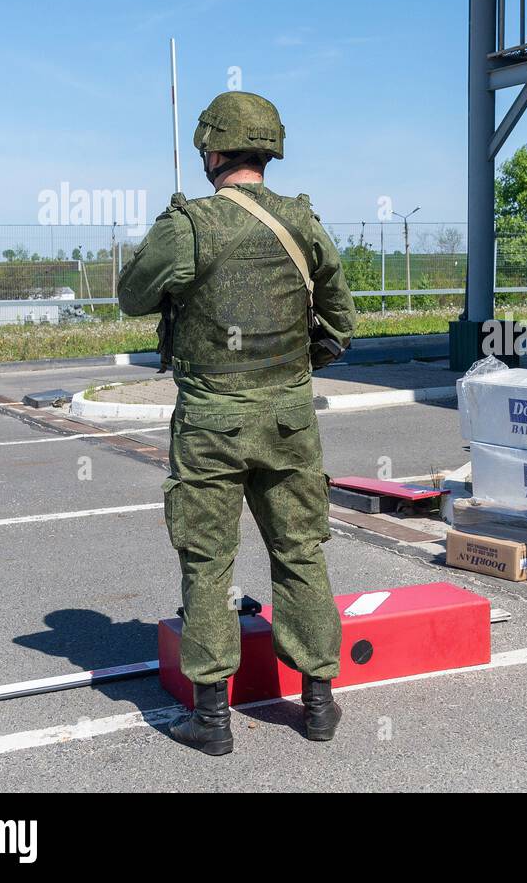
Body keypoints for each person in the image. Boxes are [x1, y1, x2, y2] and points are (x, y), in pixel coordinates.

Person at [118, 91, 356, 754]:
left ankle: (213, 719)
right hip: (288, 421)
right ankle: (317, 704)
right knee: (301, 551)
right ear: (266, 150)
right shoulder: (304, 223)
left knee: (207, 562)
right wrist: (291, 371)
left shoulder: (191, 226)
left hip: (211, 424)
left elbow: (132, 294)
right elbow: (342, 321)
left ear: (213, 151)